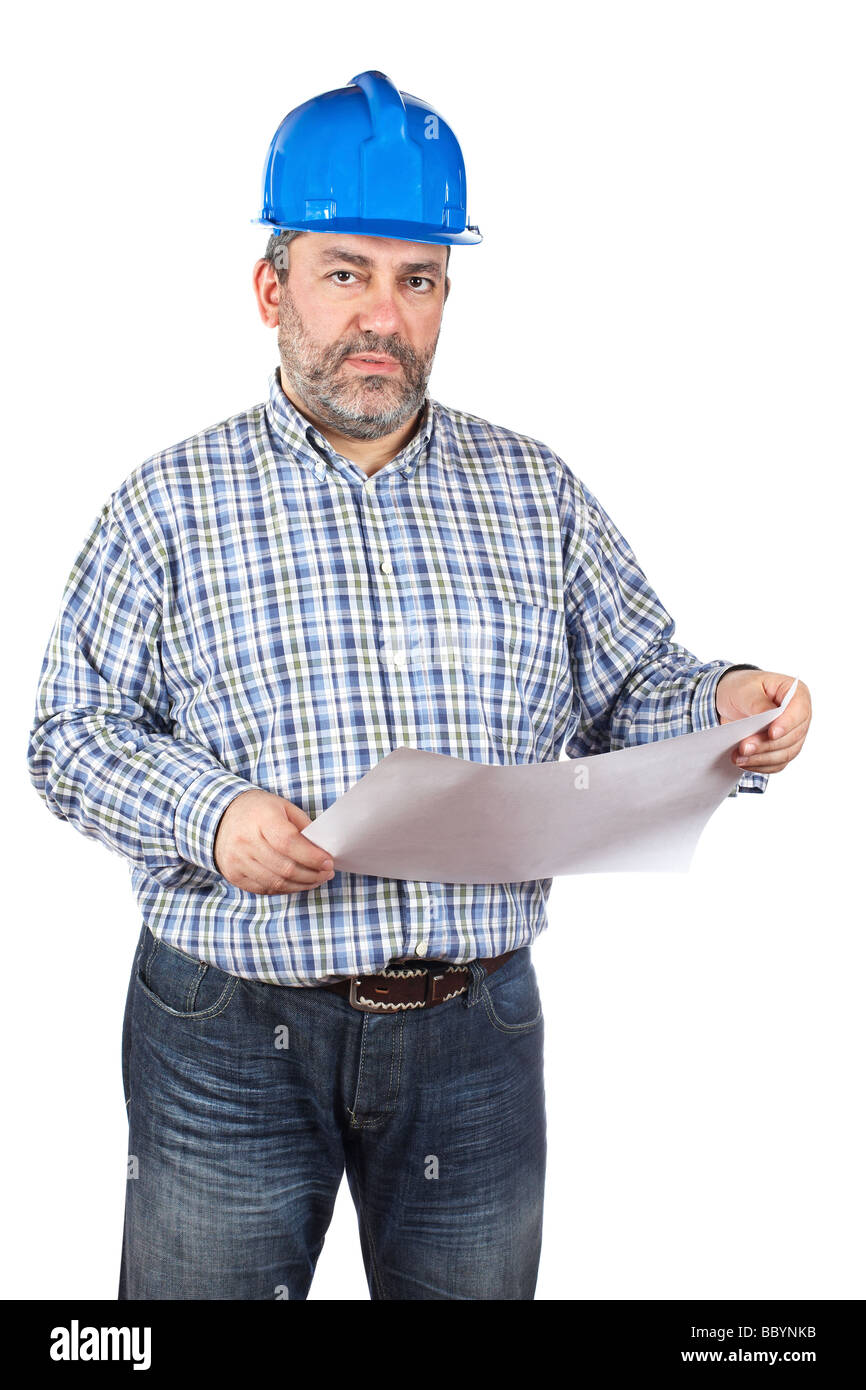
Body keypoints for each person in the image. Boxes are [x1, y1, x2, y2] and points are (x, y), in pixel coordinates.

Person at [27, 70, 812, 1302]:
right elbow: (70, 735)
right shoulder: (164, 504)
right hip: (227, 1030)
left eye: (419, 279)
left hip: (471, 1035)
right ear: (270, 289)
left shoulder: (535, 492)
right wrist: (212, 816)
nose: (382, 317)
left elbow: (632, 689)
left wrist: (727, 706)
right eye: (346, 274)